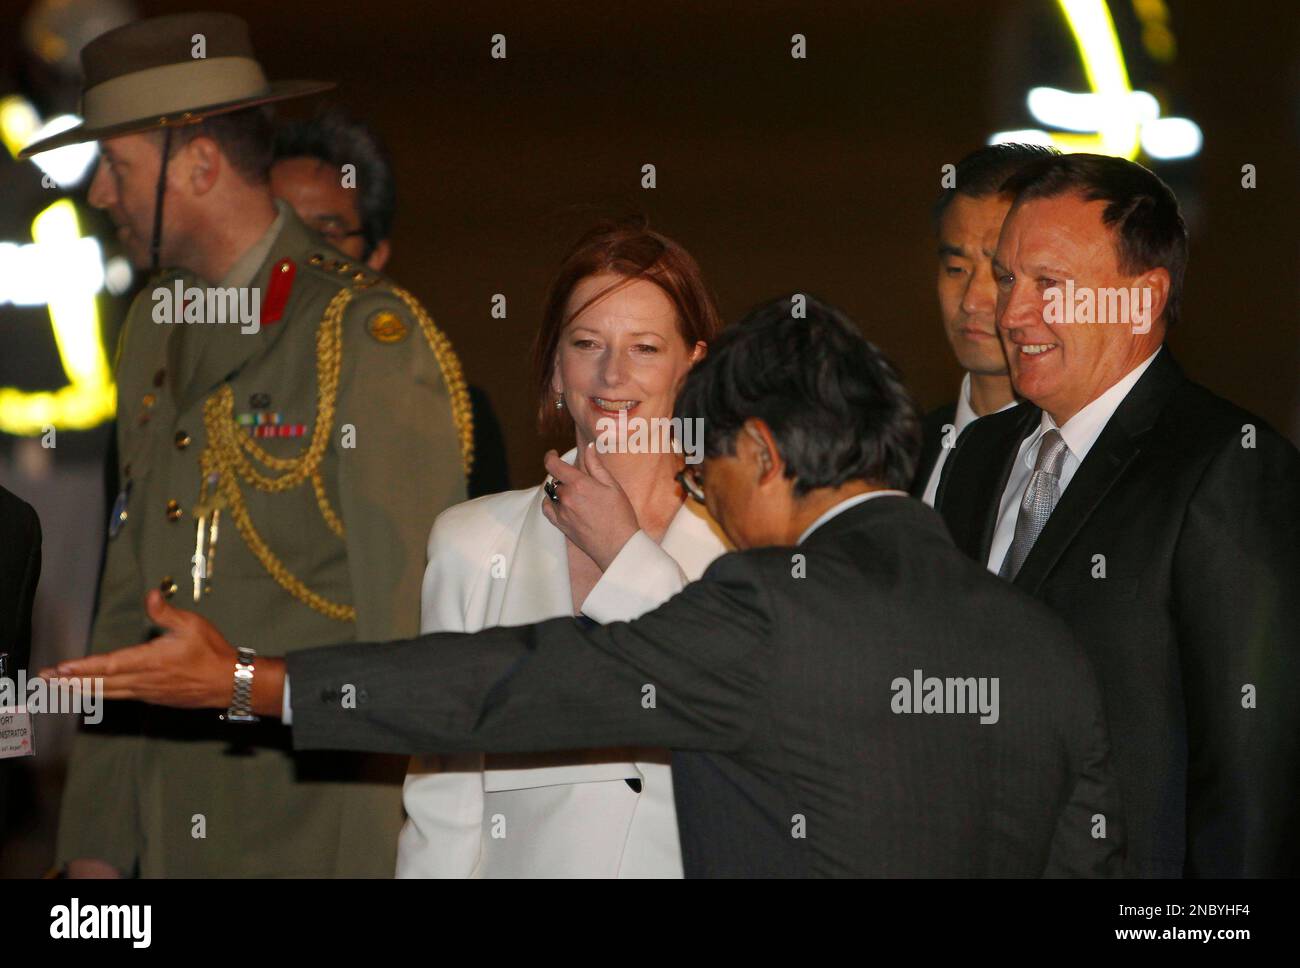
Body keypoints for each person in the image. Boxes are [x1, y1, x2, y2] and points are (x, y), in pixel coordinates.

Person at [52, 296, 1125, 877]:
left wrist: (248, 676)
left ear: (759, 448)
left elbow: (515, 682)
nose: (707, 497)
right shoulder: (1039, 637)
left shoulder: (768, 607)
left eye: (706, 469)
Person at [21, 12, 472, 877]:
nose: (101, 196)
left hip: (310, 836)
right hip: (163, 828)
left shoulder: (364, 337)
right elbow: (128, 603)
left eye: (117, 167)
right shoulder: (156, 322)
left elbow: (410, 649)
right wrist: (95, 850)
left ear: (197, 164)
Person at [934, 153, 1300, 876]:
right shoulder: (975, 458)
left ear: (1141, 299)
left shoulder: (1229, 466)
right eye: (1009, 279)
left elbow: (1253, 785)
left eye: (1049, 285)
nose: (1010, 314)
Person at [400, 220, 726, 877]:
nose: (613, 374)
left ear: (694, 364)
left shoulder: (742, 545)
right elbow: (443, 803)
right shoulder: (471, 544)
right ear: (556, 364)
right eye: (587, 344)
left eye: (644, 347)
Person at [270, 108, 510, 497]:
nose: (296, 254)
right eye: (278, 230)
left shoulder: (448, 416)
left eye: (324, 233)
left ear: (375, 258)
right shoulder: (208, 390)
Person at [911, 144, 1055, 504]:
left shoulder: (1073, 457)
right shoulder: (898, 456)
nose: (972, 301)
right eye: (956, 270)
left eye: (1001, 274)